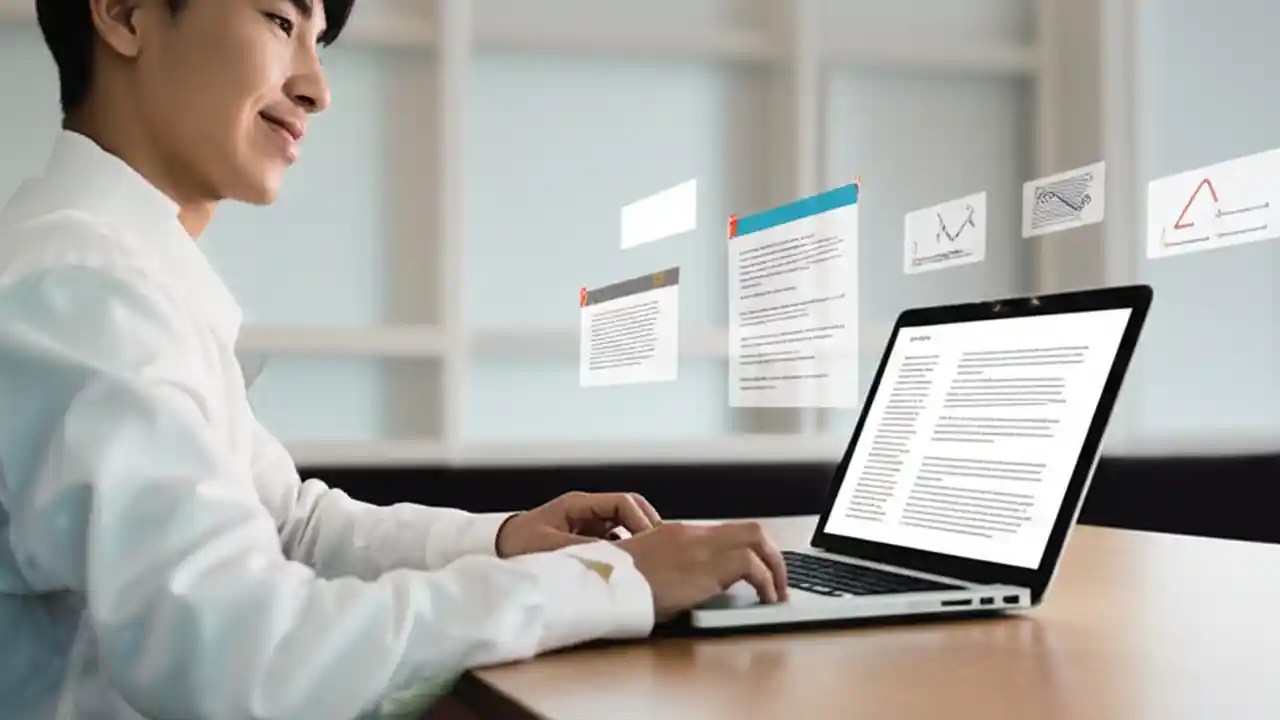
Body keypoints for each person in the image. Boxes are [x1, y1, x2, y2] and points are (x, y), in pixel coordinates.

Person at [0, 1, 789, 718]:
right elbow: (247, 658)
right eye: (280, 21)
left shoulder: (122, 271)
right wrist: (618, 583)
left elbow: (288, 526)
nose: (315, 87)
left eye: (320, 39)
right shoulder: (83, 293)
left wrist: (506, 541)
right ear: (125, 14)